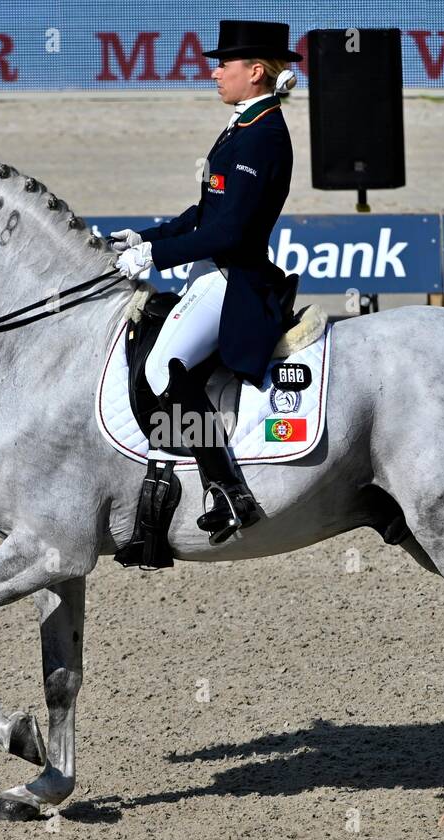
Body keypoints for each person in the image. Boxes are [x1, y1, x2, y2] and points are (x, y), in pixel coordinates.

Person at [112, 19, 301, 545]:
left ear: (256, 71)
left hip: (232, 276)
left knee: (162, 367)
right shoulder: (243, 125)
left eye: (224, 65)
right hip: (209, 269)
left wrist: (156, 256)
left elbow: (230, 231)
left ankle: (228, 489)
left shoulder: (263, 136)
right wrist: (145, 237)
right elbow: (205, 212)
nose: (215, 73)